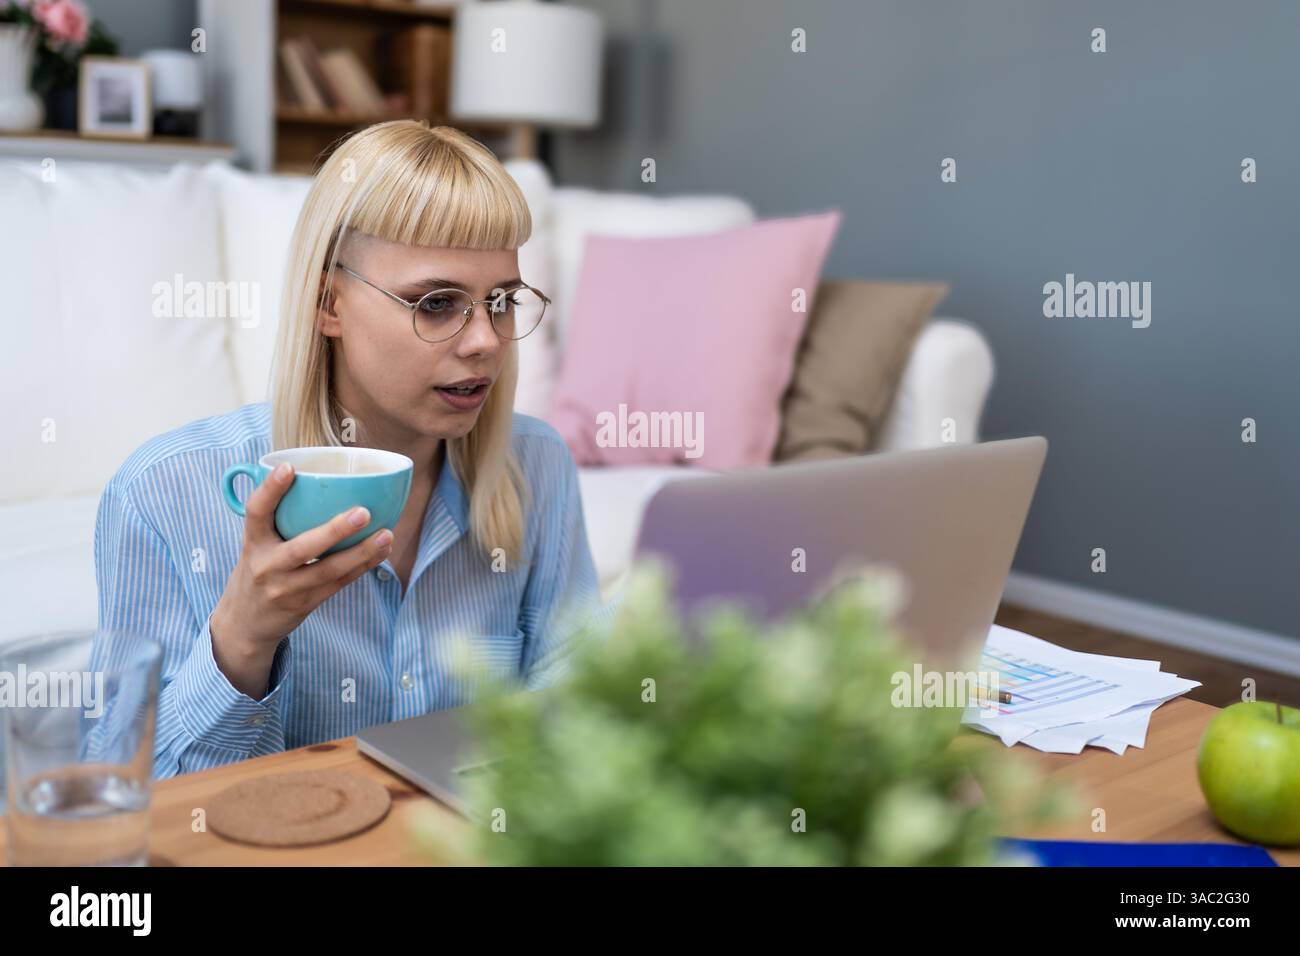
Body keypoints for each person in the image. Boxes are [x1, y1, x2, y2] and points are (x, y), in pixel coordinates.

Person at [90, 122, 606, 778]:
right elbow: (111, 800)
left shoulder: (536, 467)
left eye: (501, 301)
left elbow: (582, 715)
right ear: (329, 304)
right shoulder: (162, 495)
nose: (486, 342)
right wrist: (243, 640)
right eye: (439, 303)